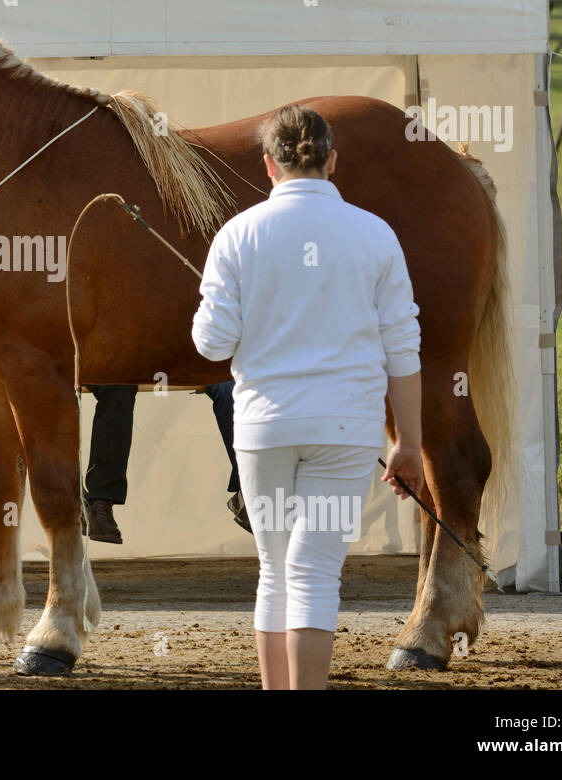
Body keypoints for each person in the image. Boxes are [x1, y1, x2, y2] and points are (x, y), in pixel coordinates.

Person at [192, 103, 425, 690]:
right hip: (346, 431)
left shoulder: (236, 235)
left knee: (275, 571)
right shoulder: (376, 234)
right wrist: (411, 445)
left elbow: (211, 344)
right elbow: (404, 348)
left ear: (268, 166)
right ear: (332, 160)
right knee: (316, 573)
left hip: (265, 428)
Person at [81, 382, 250, 543]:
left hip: (178, 358)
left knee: (229, 386)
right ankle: (99, 504)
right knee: (117, 385)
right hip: (121, 361)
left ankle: (249, 494)